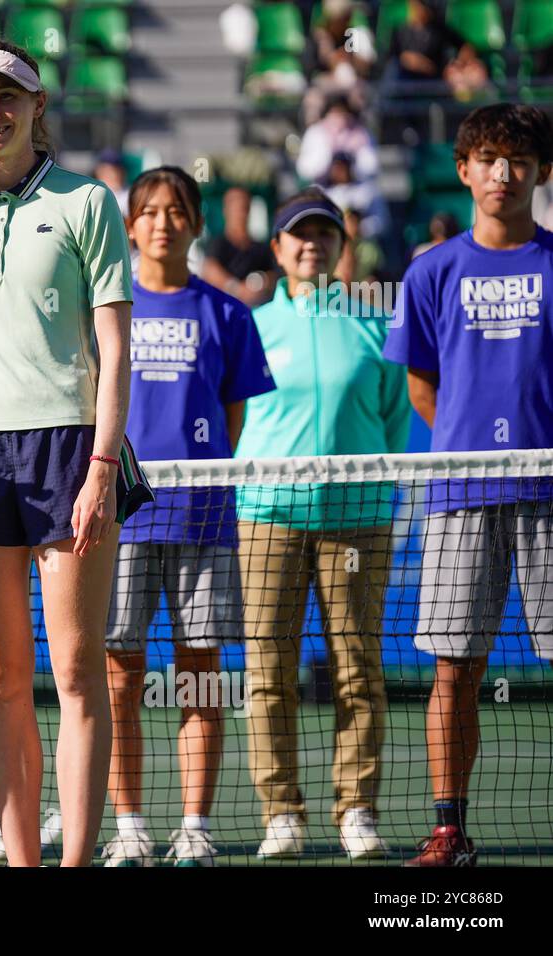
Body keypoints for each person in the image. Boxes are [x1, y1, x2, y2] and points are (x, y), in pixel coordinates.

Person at [0, 39, 153, 868]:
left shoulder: (90, 204)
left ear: (37, 105)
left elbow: (116, 353)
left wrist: (101, 468)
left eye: (7, 96)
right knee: (2, 682)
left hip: (71, 453)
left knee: (79, 675)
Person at [384, 103, 553, 867]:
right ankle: (449, 829)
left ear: (541, 172)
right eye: (487, 158)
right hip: (458, 494)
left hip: (549, 490)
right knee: (455, 667)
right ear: (463, 170)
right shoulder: (431, 271)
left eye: (518, 160)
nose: (503, 173)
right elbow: (425, 386)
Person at [104, 166, 275, 867]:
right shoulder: (106, 309)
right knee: (118, 676)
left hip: (204, 518)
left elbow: (228, 420)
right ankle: (131, 827)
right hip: (120, 520)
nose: (163, 224)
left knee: (200, 675)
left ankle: (195, 825)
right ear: (131, 225)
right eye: (149, 212)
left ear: (197, 223)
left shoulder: (227, 313)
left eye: (177, 211)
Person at [236, 187, 410, 861]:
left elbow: (394, 418)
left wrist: (364, 483)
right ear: (278, 249)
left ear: (342, 247)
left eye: (324, 233)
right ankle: (281, 812)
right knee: (268, 669)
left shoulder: (373, 325)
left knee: (358, 667)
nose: (312, 243)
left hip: (357, 520)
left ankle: (357, 809)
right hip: (267, 520)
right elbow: (236, 421)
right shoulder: (253, 328)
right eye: (298, 234)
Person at [201, 186, 277, 307]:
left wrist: (260, 282)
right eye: (235, 208)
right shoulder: (217, 244)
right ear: (226, 210)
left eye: (244, 207)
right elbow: (210, 270)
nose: (240, 213)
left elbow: (273, 276)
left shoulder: (261, 248)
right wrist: (237, 289)